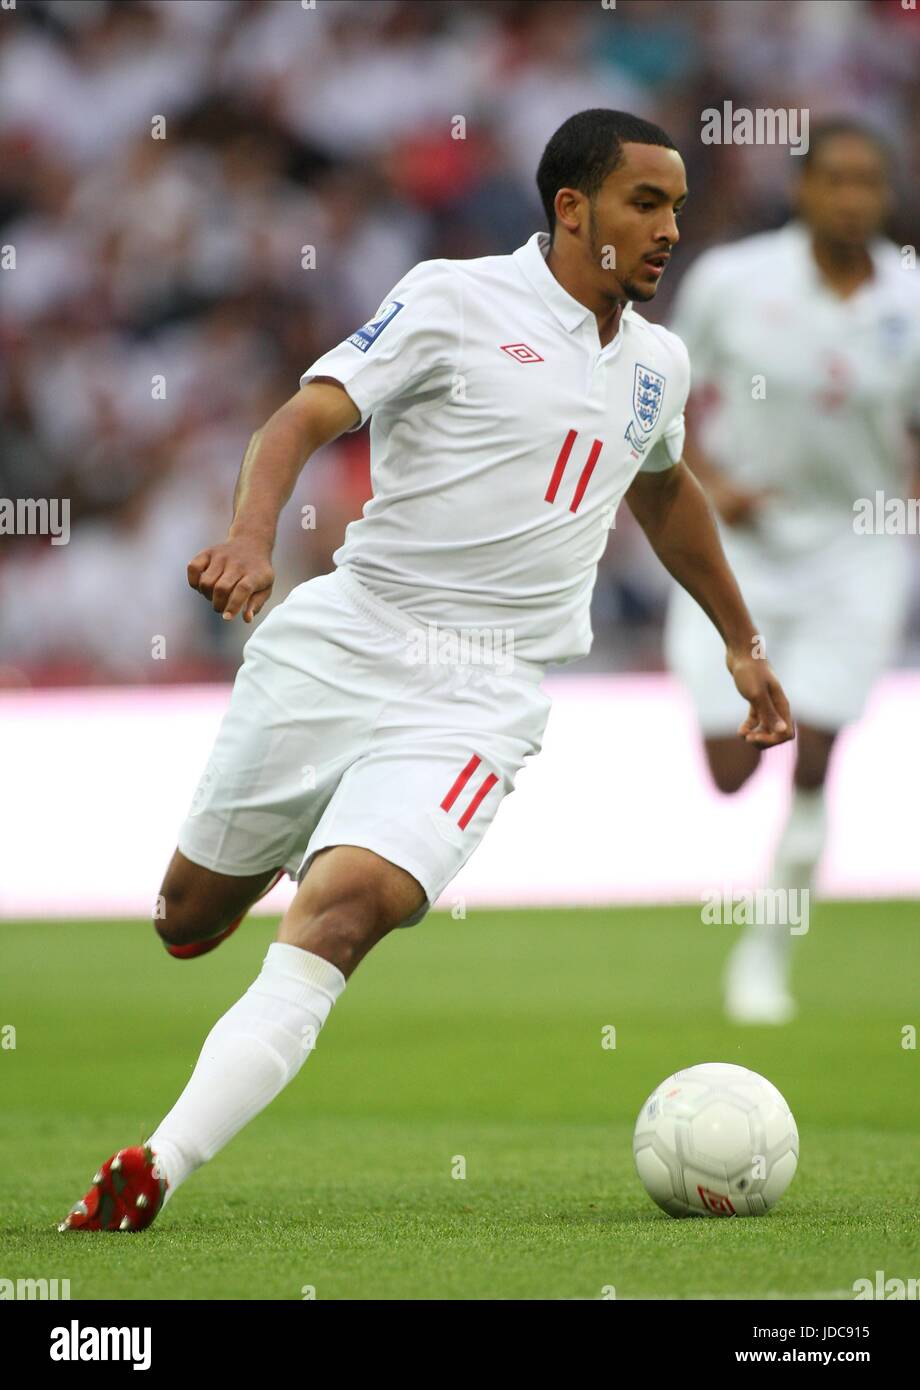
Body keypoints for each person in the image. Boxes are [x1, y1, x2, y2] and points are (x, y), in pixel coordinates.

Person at [60, 109, 793, 1232]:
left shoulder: (655, 361)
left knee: (349, 909)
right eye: (646, 203)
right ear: (570, 207)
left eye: (677, 208)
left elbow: (660, 488)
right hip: (350, 636)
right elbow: (307, 410)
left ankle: (155, 1163)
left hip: (485, 690)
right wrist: (253, 534)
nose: (667, 229)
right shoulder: (454, 300)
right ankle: (265, 852)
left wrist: (741, 644)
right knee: (185, 918)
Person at [664, 118, 920, 1025]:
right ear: (803, 188)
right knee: (733, 767)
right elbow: (656, 388)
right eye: (836, 179)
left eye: (869, 181)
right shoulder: (733, 283)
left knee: (813, 751)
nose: (853, 197)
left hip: (857, 549)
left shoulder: (911, 295)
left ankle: (764, 957)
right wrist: (709, 482)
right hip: (734, 553)